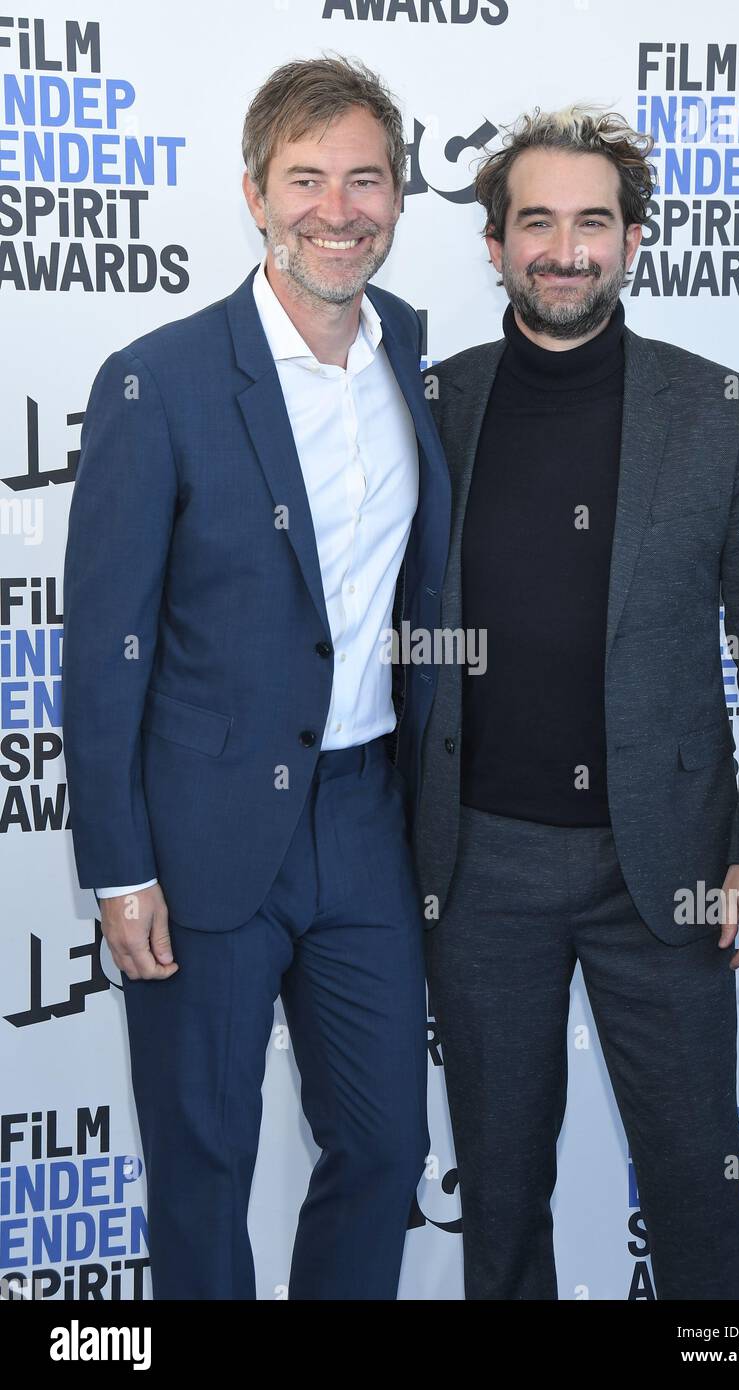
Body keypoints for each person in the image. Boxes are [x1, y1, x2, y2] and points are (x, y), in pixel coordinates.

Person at [62, 55, 450, 1300]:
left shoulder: (419, 362)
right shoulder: (159, 380)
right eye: (305, 180)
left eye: (365, 179)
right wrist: (120, 869)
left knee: (388, 1144)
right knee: (203, 1164)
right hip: (201, 834)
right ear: (252, 194)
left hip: (365, 819)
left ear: (399, 196)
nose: (338, 210)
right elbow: (103, 645)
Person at [414, 104, 739, 1300]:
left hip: (670, 863)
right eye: (534, 221)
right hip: (479, 865)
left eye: (592, 221)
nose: (564, 248)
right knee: (495, 1190)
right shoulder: (432, 403)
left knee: (694, 1181)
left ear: (632, 239)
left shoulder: (718, 409)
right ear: (492, 243)